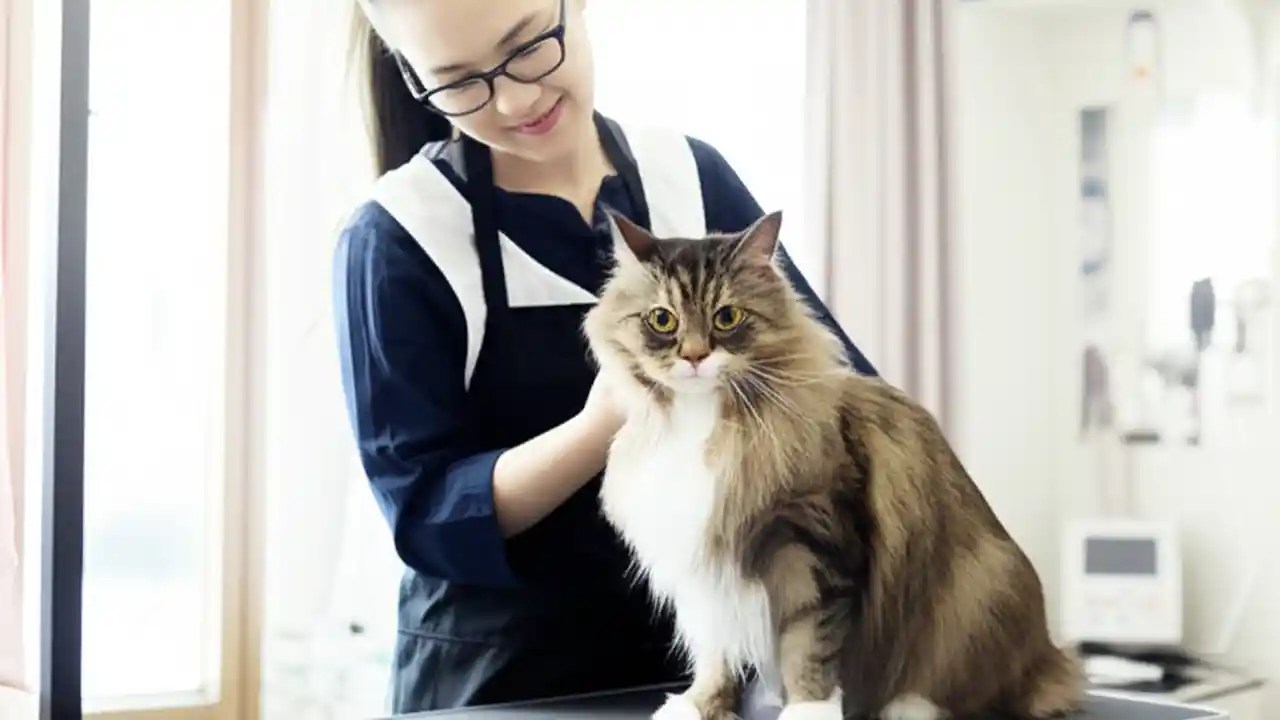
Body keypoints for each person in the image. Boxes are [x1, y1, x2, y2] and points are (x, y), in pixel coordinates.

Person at [333, 0, 878, 713]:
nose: (514, 99)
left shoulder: (688, 179)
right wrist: (602, 426)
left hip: (713, 670)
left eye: (529, 46)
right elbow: (426, 514)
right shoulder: (400, 236)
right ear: (413, 78)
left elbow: (846, 403)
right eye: (460, 81)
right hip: (502, 682)